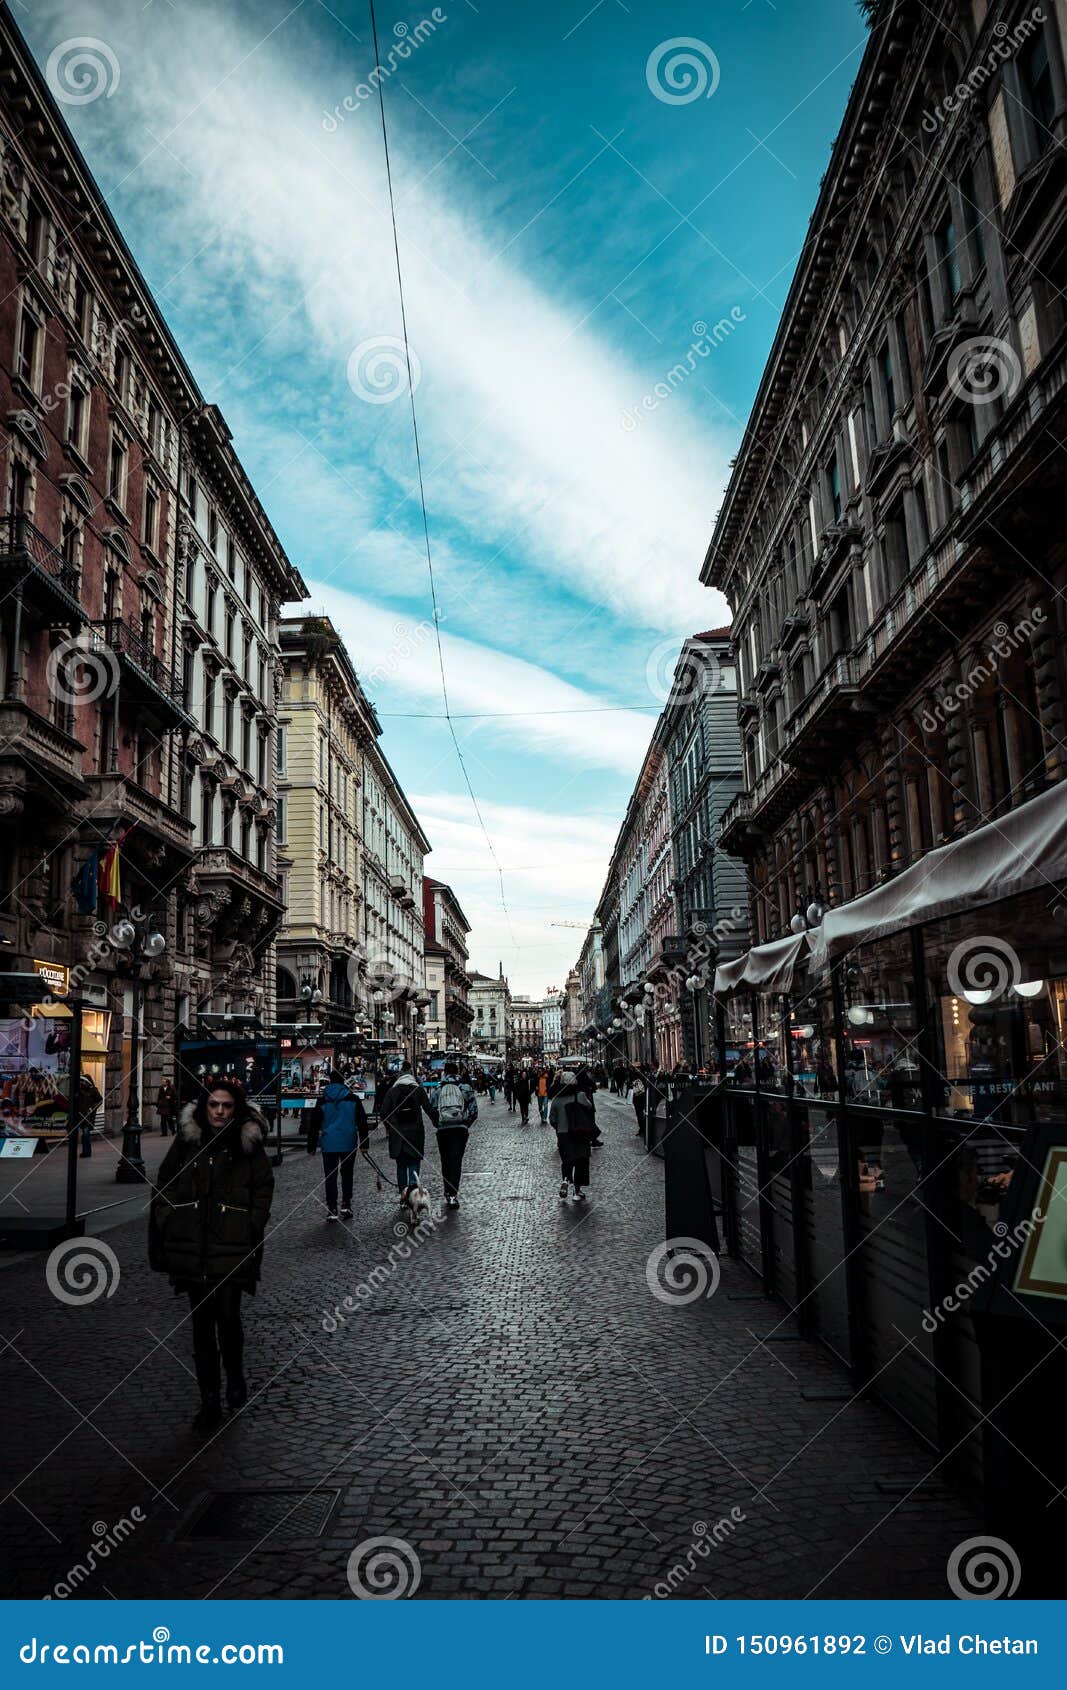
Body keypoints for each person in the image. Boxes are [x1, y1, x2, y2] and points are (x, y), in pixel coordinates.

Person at [148, 1081, 274, 1432]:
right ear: (205, 1106)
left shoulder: (247, 1143)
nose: (220, 1111)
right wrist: (169, 1216)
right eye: (214, 1105)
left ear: (237, 1108)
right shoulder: (187, 1140)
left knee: (229, 1317)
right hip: (194, 1245)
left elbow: (264, 1185)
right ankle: (209, 1401)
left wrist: (252, 1222)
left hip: (233, 1246)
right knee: (202, 1327)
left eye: (227, 1106)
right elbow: (165, 1181)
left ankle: (234, 1374)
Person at [306, 1070, 369, 1221]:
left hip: (329, 1143)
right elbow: (362, 1122)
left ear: (329, 1082)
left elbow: (314, 1124)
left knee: (330, 1176)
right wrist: (364, 1143)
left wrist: (312, 1146)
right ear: (343, 1082)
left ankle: (332, 1208)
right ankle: (346, 1204)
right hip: (348, 1142)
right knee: (347, 1174)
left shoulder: (322, 1101)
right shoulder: (353, 1099)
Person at [381, 1060, 438, 1200]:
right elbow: (428, 1108)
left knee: (401, 1166)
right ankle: (413, 1192)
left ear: (400, 1075)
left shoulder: (393, 1090)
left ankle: (403, 1195)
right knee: (414, 1162)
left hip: (398, 1134)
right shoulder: (418, 1089)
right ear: (412, 1074)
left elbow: (383, 1112)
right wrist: (438, 1123)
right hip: (415, 1133)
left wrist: (390, 1126)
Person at [549, 1069, 597, 1201]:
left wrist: (559, 1128)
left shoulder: (556, 1099)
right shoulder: (580, 1095)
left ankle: (565, 1180)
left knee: (567, 1160)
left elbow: (552, 1119)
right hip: (579, 1132)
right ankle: (577, 1191)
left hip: (563, 1134)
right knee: (581, 1160)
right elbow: (589, 1106)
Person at [436, 1060, 477, 1209]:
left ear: (445, 1072)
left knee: (445, 1161)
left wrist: (439, 1123)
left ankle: (448, 1191)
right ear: (458, 1072)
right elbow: (474, 1111)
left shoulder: (439, 1088)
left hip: (443, 1130)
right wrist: (465, 1124)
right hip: (460, 1129)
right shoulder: (465, 1087)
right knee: (456, 1161)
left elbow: (433, 1107)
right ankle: (453, 1194)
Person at [76, 1073, 101, 1158]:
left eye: (83, 1081)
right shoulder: (79, 1090)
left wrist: (92, 1108)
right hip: (81, 1115)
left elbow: (100, 1100)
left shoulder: (93, 1090)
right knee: (84, 1134)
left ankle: (87, 1152)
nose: (81, 1082)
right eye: (81, 1081)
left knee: (86, 1133)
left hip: (88, 1116)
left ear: (87, 1082)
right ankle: (85, 1151)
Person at [632, 1071, 647, 1139]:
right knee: (640, 1115)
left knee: (640, 1115)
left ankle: (642, 1129)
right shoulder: (638, 1081)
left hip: (638, 1100)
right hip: (639, 1100)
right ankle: (642, 1129)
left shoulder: (637, 1081)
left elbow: (639, 1091)